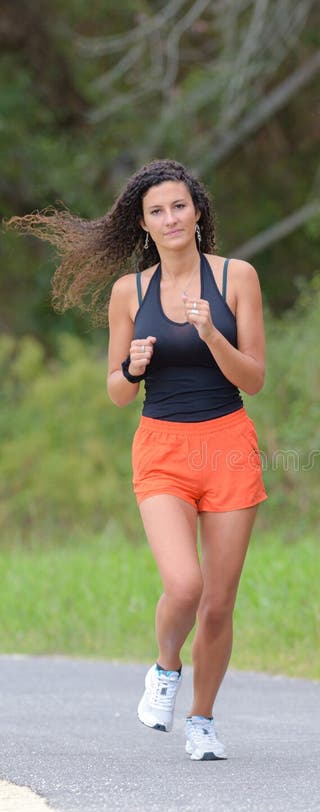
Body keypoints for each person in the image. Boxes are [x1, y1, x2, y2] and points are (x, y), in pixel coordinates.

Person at [9, 160, 267, 760]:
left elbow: (253, 378)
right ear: (143, 224)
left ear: (197, 211)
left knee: (219, 602)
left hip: (227, 442)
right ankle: (165, 670)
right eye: (157, 211)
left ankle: (201, 721)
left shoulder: (236, 278)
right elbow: (117, 391)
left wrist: (212, 336)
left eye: (179, 206)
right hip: (163, 447)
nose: (170, 218)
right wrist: (133, 367)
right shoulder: (132, 292)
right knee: (184, 583)